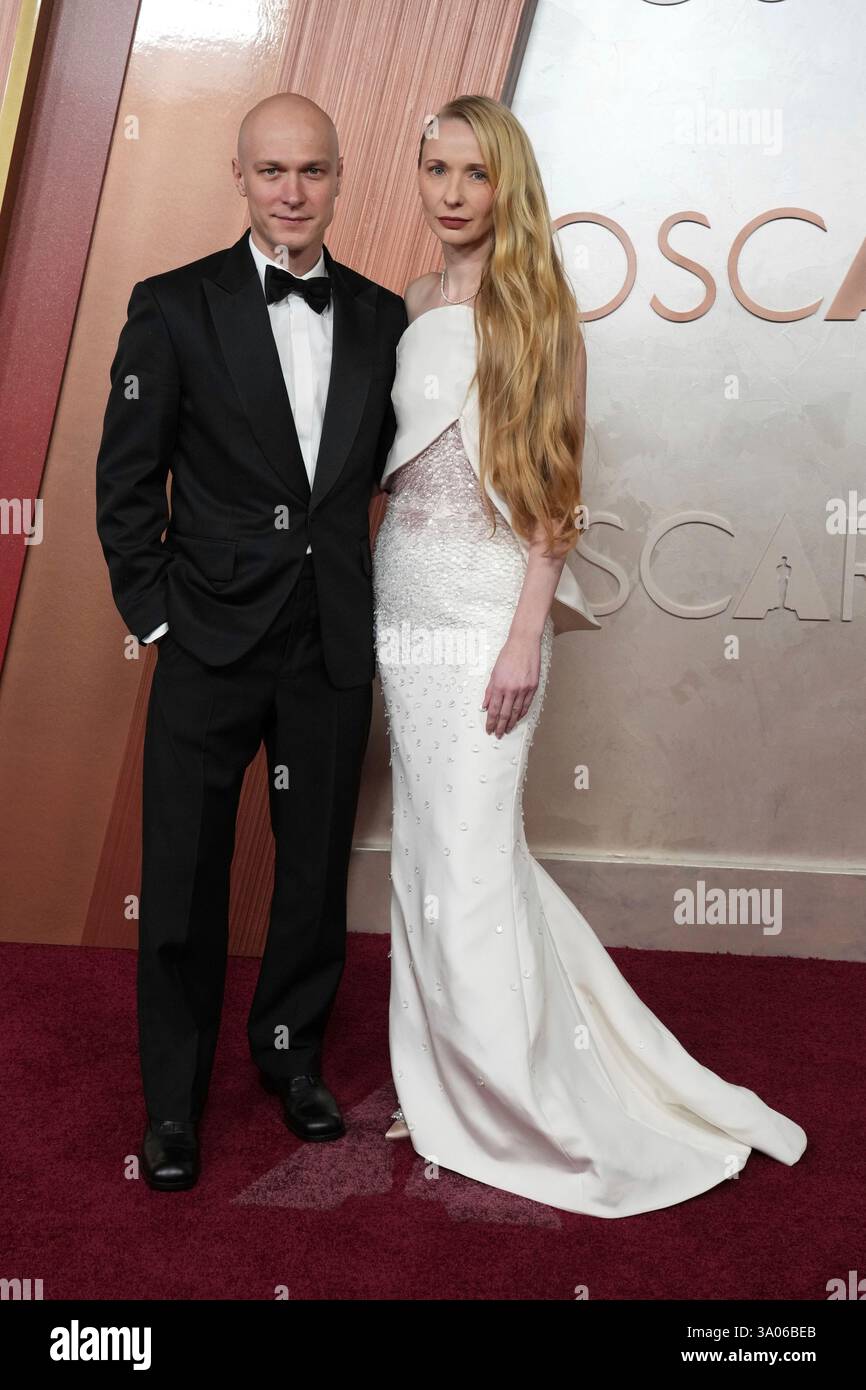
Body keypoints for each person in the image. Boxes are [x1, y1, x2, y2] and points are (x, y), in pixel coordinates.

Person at [371, 96, 807, 1217]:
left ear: (505, 184)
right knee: (429, 854)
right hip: (401, 601)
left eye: (472, 172)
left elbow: (553, 498)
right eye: (435, 170)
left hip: (486, 610)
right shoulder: (413, 303)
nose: (451, 193)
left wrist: (525, 630)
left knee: (470, 856)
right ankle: (448, 1085)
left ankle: (523, 1102)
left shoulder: (540, 315)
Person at [96, 93, 406, 1190]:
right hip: (208, 639)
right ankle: (171, 1108)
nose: (290, 190)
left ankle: (291, 1057)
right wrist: (161, 616)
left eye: (311, 171)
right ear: (240, 175)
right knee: (181, 879)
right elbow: (126, 482)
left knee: (313, 870)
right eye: (271, 170)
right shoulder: (174, 306)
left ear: (337, 178)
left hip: (327, 642)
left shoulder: (380, 316)